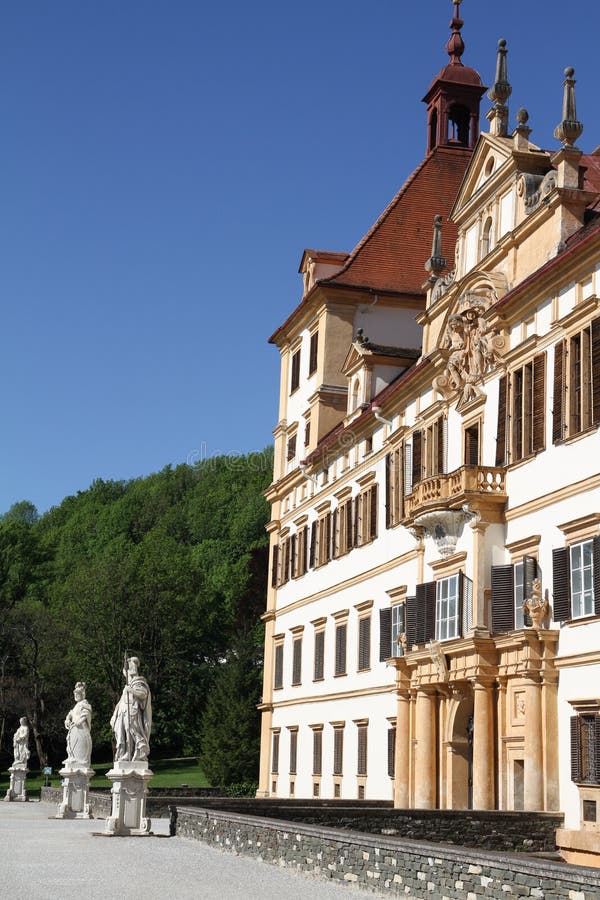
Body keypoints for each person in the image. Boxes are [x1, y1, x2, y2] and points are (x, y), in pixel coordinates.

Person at [110, 657, 152, 762]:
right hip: (123, 710)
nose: (129, 669)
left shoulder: (138, 681)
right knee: (121, 731)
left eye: (131, 666)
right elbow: (124, 672)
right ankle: (125, 753)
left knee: (131, 730)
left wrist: (131, 690)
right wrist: (125, 664)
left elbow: (143, 694)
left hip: (132, 709)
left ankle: (140, 749)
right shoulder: (129, 680)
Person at [64, 682, 93, 768]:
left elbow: (86, 713)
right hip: (74, 730)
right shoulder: (76, 706)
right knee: (72, 745)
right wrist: (67, 720)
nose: (76, 695)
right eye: (75, 694)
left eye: (77, 694)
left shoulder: (85, 704)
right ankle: (73, 758)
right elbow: (69, 715)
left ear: (82, 694)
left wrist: (80, 721)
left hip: (81, 729)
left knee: (80, 744)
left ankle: (81, 760)